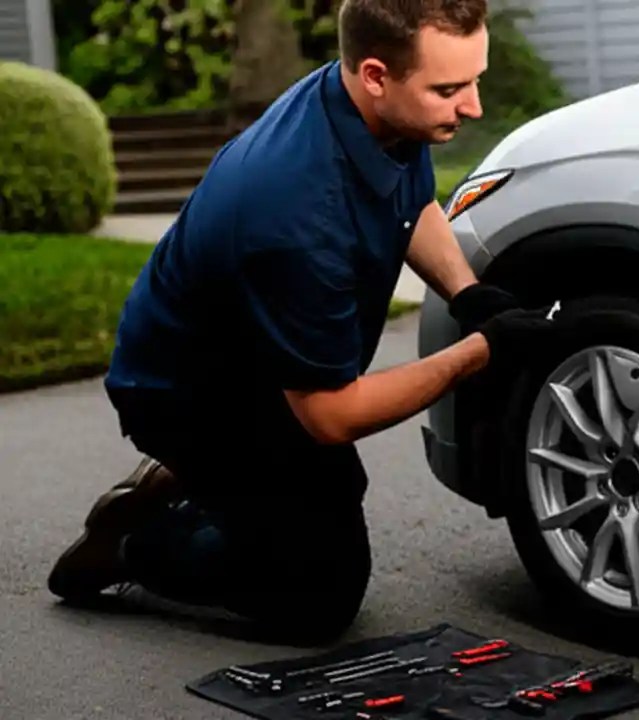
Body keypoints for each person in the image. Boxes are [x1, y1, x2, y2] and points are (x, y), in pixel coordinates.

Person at [46, 0, 548, 644]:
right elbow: (330, 415)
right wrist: (478, 351)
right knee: (317, 598)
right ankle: (138, 542)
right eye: (450, 89)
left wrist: (467, 294)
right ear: (374, 75)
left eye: (474, 80)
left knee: (325, 497)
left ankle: (214, 490)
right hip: (191, 395)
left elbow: (409, 198)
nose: (473, 106)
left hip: (263, 357)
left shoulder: (374, 109)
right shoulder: (293, 207)